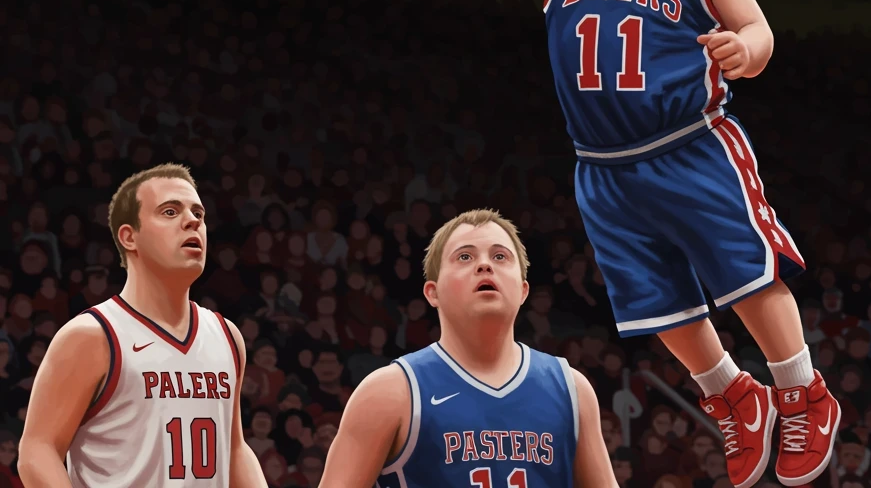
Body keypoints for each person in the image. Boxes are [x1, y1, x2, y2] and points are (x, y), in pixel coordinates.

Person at [498, 0, 839, 488]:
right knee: (657, 304)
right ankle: (732, 395)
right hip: (604, 168)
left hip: (691, 145)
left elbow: (759, 28)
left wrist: (746, 50)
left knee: (745, 275)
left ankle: (800, 389)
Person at [323, 207, 614, 487]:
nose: (485, 265)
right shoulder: (389, 391)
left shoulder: (572, 389)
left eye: (500, 256)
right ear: (433, 293)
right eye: (464, 256)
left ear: (523, 290)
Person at [17, 163, 266, 488]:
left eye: (198, 213)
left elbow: (233, 450)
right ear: (129, 236)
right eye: (170, 211)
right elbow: (37, 451)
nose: (193, 221)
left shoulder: (227, 336)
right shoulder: (93, 335)